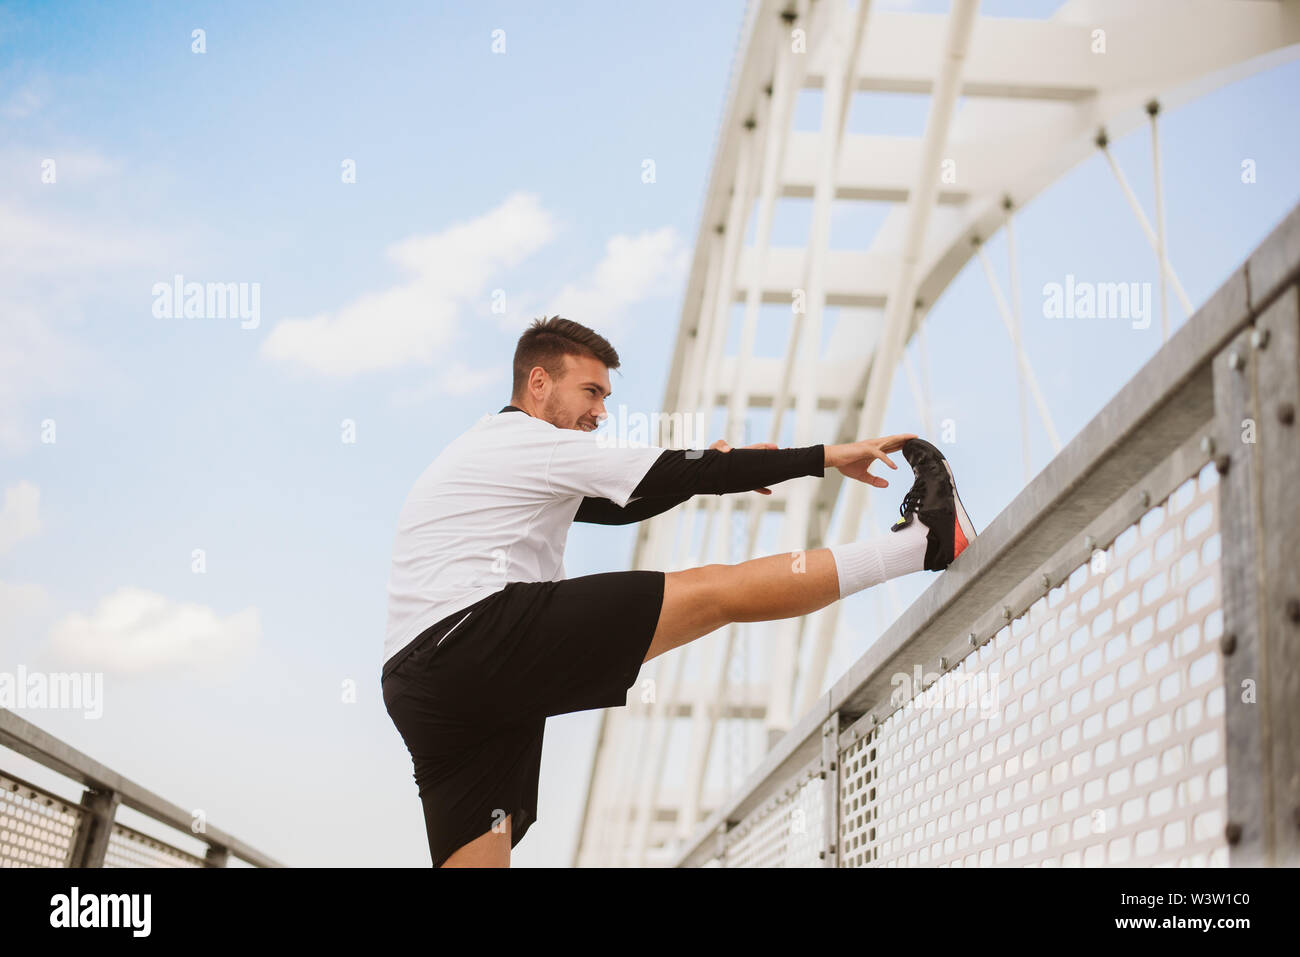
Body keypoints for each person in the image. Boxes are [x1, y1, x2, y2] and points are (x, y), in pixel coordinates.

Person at [381, 315, 977, 867]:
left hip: (423, 684)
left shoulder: (490, 451)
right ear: (538, 382)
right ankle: (923, 544)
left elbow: (620, 505)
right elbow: (668, 472)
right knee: (713, 591)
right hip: (472, 635)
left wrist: (719, 467)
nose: (600, 412)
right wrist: (819, 457)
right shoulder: (530, 443)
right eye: (591, 392)